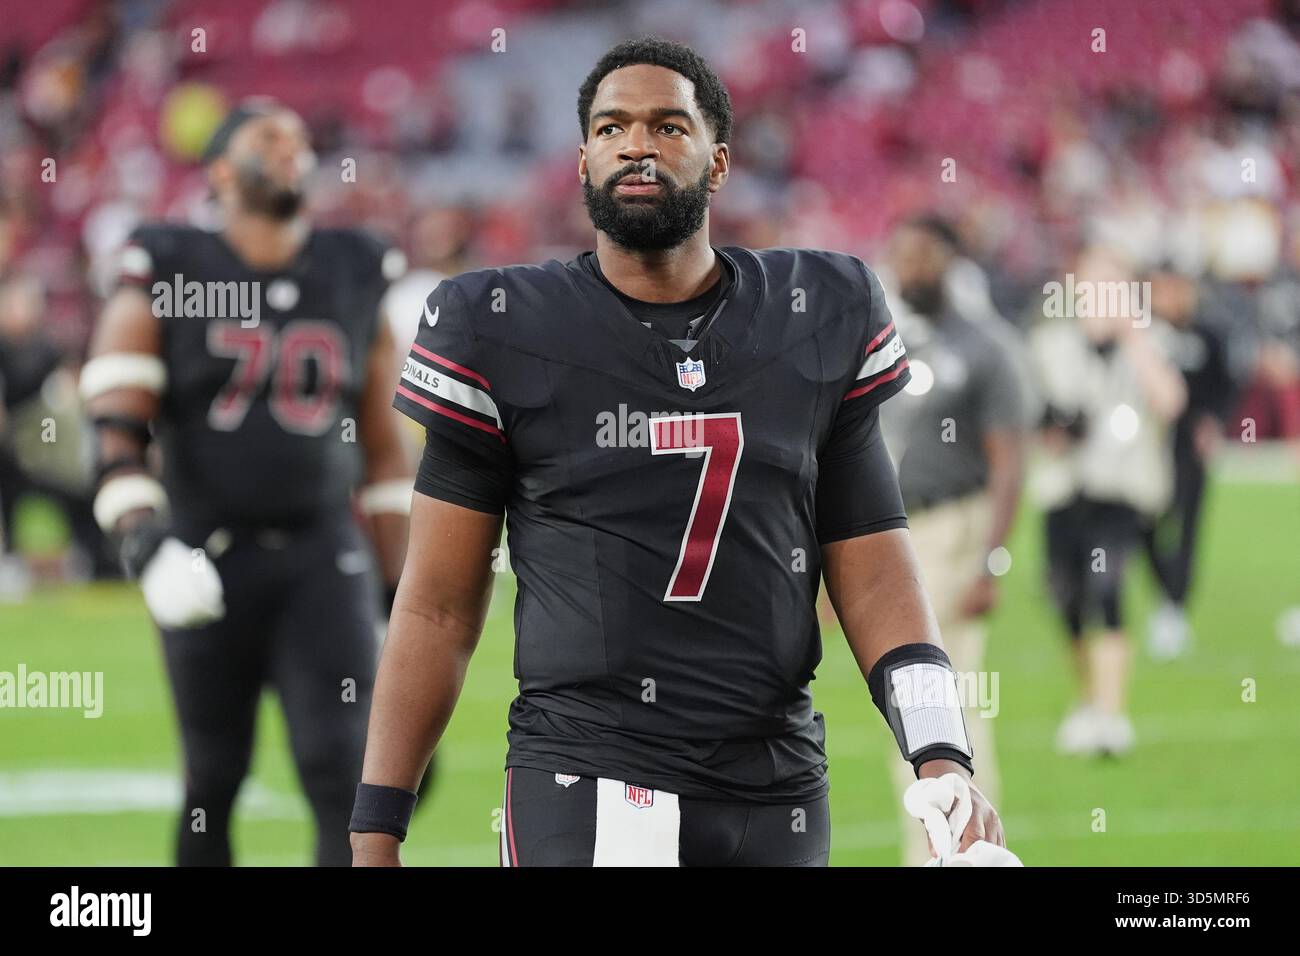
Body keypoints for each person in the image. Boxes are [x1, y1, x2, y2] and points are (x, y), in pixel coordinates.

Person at [349, 36, 1003, 867]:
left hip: (778, 781)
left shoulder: (817, 311)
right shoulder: (501, 325)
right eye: (611, 126)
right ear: (583, 159)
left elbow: (876, 569)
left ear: (718, 161)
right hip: (589, 776)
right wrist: (376, 828)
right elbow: (437, 605)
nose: (636, 144)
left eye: (668, 126)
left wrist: (941, 757)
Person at [82, 100, 414, 865]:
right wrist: (146, 545)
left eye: (302, 136)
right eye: (271, 137)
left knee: (344, 775)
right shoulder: (167, 262)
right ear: (222, 170)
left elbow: (386, 451)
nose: (294, 147)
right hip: (205, 551)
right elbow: (115, 432)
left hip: (323, 554)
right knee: (212, 778)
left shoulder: (354, 264)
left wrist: (402, 589)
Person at [879, 215, 1030, 866]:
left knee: (939, 697)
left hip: (955, 529)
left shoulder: (986, 345)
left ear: (951, 260)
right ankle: (952, 846)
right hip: (902, 534)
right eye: (902, 255)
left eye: (923, 255)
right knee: (918, 699)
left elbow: (1010, 462)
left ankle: (958, 847)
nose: (911, 268)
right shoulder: (894, 341)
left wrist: (991, 561)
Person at [1030, 245, 1187, 757]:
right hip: (1063, 487)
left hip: (1121, 489)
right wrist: (1055, 427)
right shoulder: (1052, 343)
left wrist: (1134, 336)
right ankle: (1089, 699)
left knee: (1109, 590)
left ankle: (1112, 712)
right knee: (1067, 600)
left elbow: (1169, 401)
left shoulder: (1150, 340)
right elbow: (1032, 414)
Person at [1141, 264, 1237, 660]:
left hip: (1190, 447)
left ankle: (1174, 607)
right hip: (1149, 448)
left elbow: (1226, 387)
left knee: (1187, 528)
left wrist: (1213, 422)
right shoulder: (1142, 336)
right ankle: (1168, 594)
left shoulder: (1208, 335)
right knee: (1143, 524)